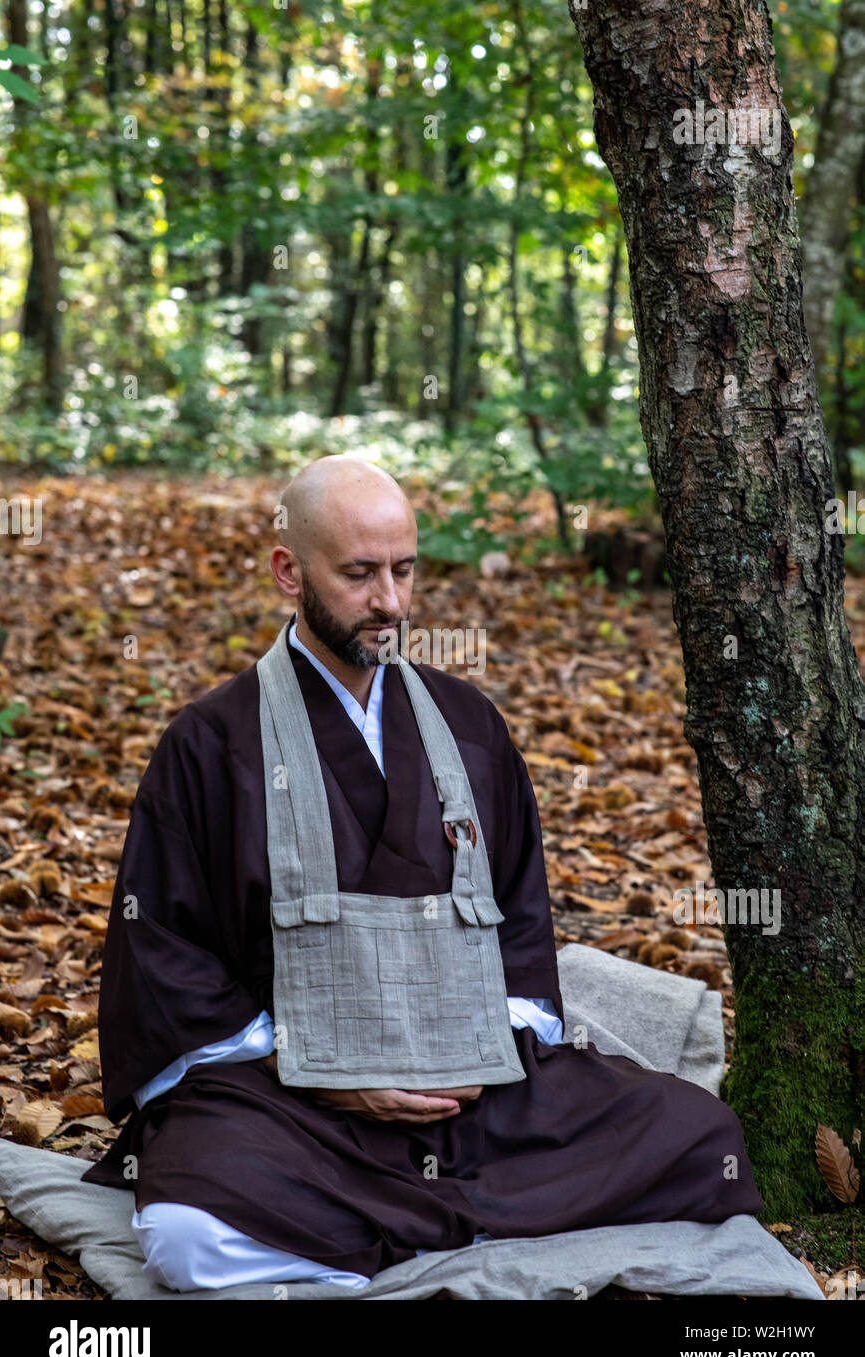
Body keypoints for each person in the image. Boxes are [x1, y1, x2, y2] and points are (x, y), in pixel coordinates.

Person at [80, 454, 764, 1292]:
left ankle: (389, 1234)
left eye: (405, 570)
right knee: (191, 1232)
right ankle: (464, 1230)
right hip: (295, 1103)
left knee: (701, 1138)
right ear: (288, 571)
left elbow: (520, 920)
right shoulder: (209, 744)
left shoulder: (469, 723)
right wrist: (329, 1072)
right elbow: (165, 958)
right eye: (361, 574)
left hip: (467, 1096)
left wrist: (478, 1053)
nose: (392, 603)